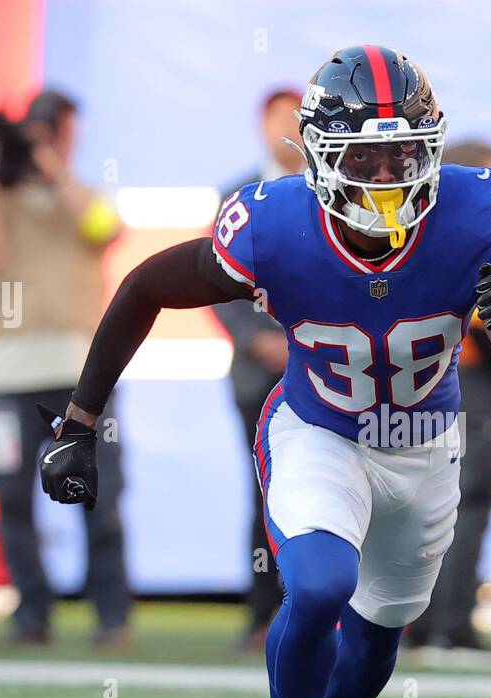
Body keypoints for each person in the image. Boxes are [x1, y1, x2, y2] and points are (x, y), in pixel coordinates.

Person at [38, 46, 491, 698]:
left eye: (403, 154)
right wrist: (79, 421)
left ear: (431, 147)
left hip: (424, 444)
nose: (386, 176)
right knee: (318, 583)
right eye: (366, 155)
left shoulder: (482, 212)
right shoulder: (276, 225)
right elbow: (146, 284)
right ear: (321, 154)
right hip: (319, 430)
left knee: (383, 627)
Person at [0, 89, 131, 647]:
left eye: (61, 137)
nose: (59, 145)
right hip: (6, 374)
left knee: (96, 495)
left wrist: (55, 170)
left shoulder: (79, 195)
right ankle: (32, 613)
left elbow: (107, 229)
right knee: (11, 498)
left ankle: (110, 615)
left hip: (80, 374)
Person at [402, 139, 491, 669]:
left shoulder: (416, 232)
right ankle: (448, 627)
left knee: (432, 508)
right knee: (464, 507)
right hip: (468, 386)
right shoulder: (471, 237)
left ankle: (420, 625)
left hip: (425, 390)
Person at [212, 88, 303, 650]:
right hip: (258, 374)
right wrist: (260, 342)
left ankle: (327, 610)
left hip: (326, 370)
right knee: (266, 492)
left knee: (335, 489)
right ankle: (262, 612)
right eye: (278, 118)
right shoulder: (238, 197)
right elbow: (220, 285)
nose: (286, 128)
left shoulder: (333, 193)